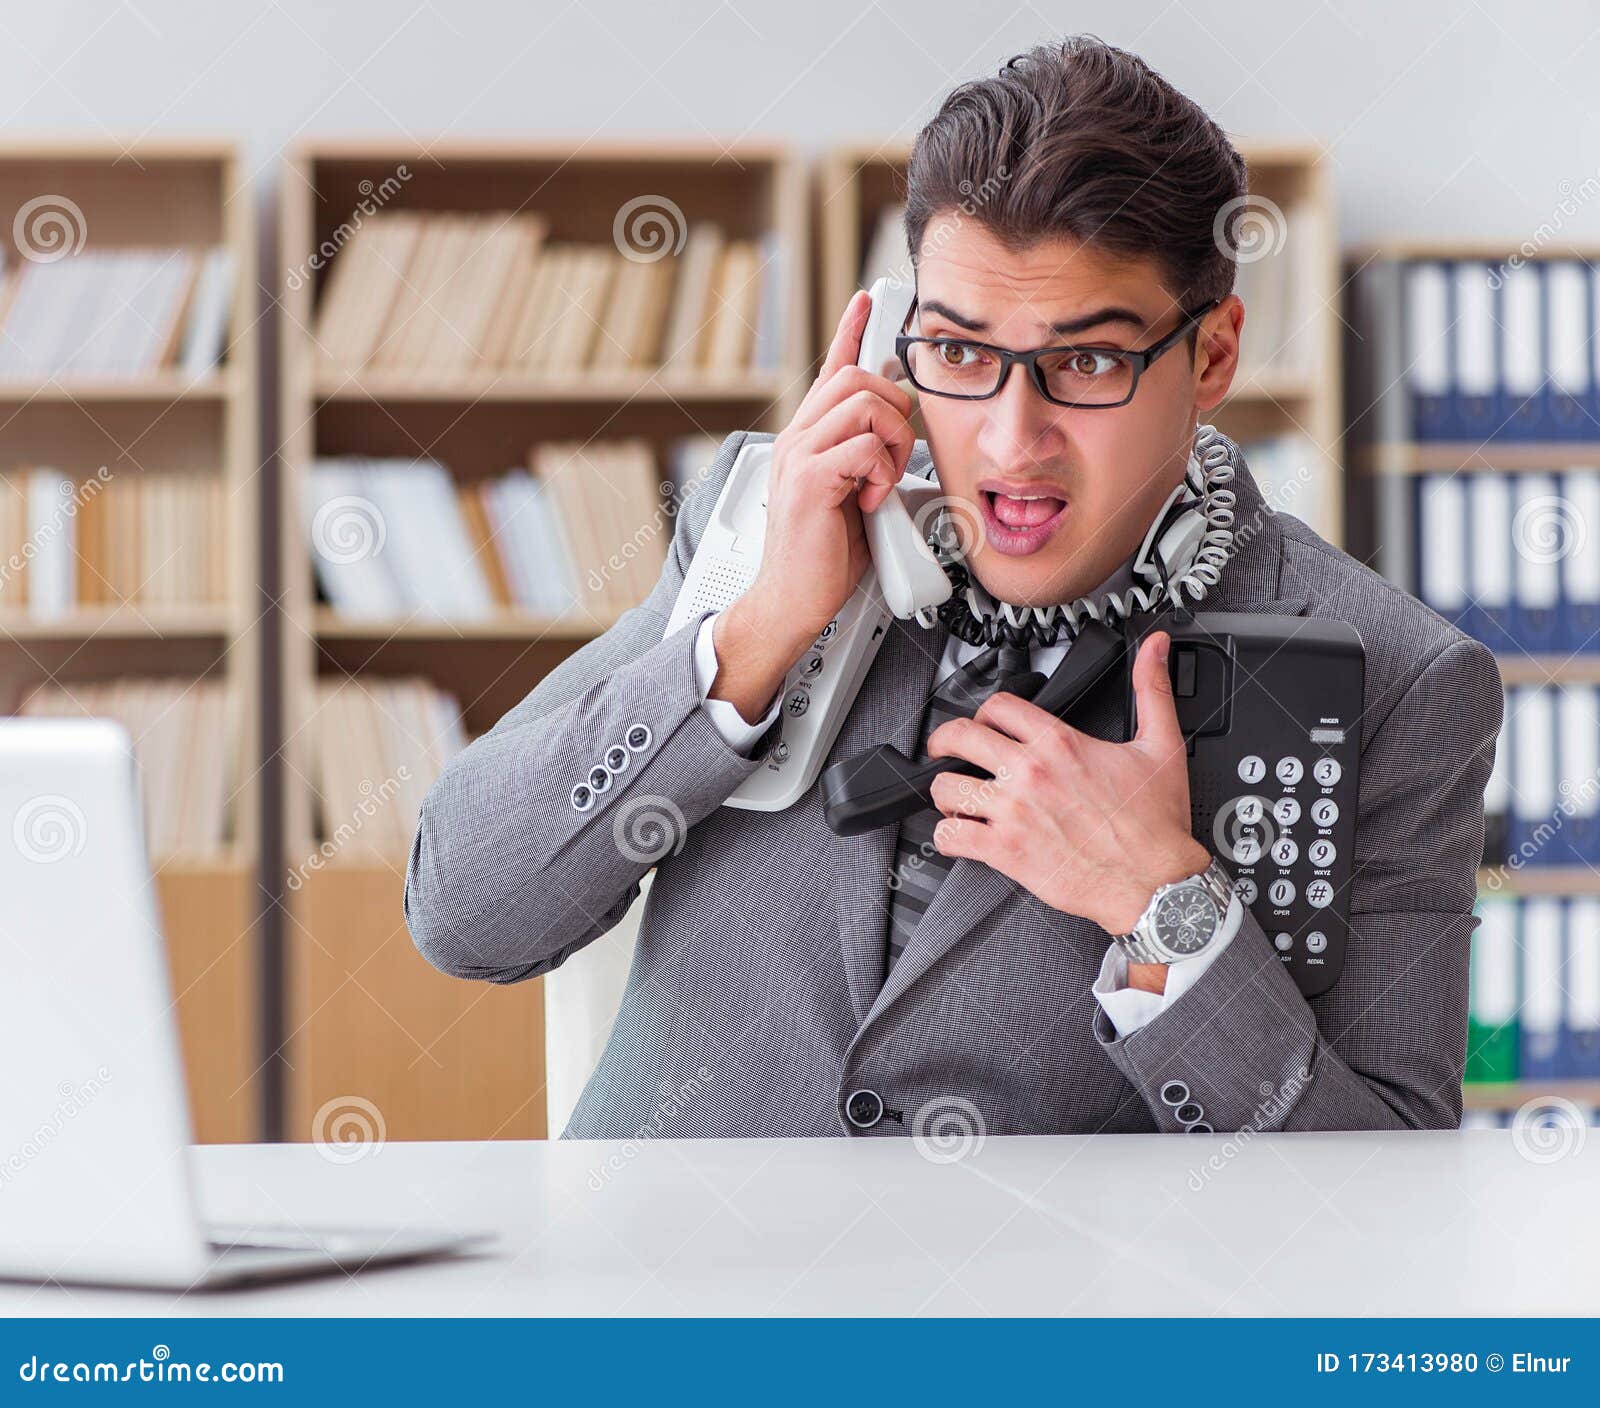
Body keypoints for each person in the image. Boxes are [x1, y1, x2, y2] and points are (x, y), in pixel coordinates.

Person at [405, 36, 1502, 1138]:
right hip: (670, 1296)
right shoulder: (775, 526)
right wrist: (747, 643)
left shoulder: (1398, 680)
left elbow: (1378, 1196)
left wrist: (1164, 910)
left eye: (1087, 362)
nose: (1011, 442)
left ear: (1211, 357)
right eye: (961, 354)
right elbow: (462, 916)